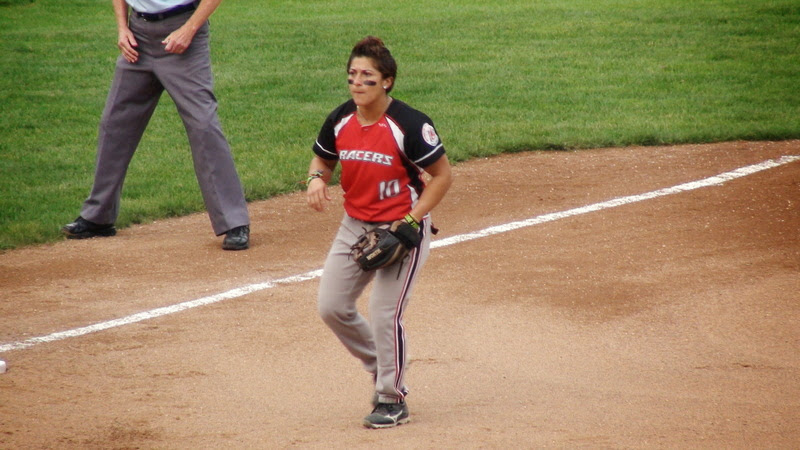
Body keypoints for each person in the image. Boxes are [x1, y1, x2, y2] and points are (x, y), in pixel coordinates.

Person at [306, 36, 452, 429]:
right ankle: (383, 365)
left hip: (402, 228)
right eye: (352, 75)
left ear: (386, 81)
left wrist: (410, 221)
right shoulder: (341, 118)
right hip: (354, 224)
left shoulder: (409, 123)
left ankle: (391, 397)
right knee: (331, 306)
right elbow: (323, 157)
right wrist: (316, 178)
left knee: (385, 313)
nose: (356, 82)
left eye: (366, 76)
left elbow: (441, 177)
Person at [62, 0, 250, 250]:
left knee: (203, 126)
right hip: (137, 36)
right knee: (114, 124)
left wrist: (189, 28)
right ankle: (98, 217)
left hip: (182, 34)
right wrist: (122, 28)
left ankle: (234, 221)